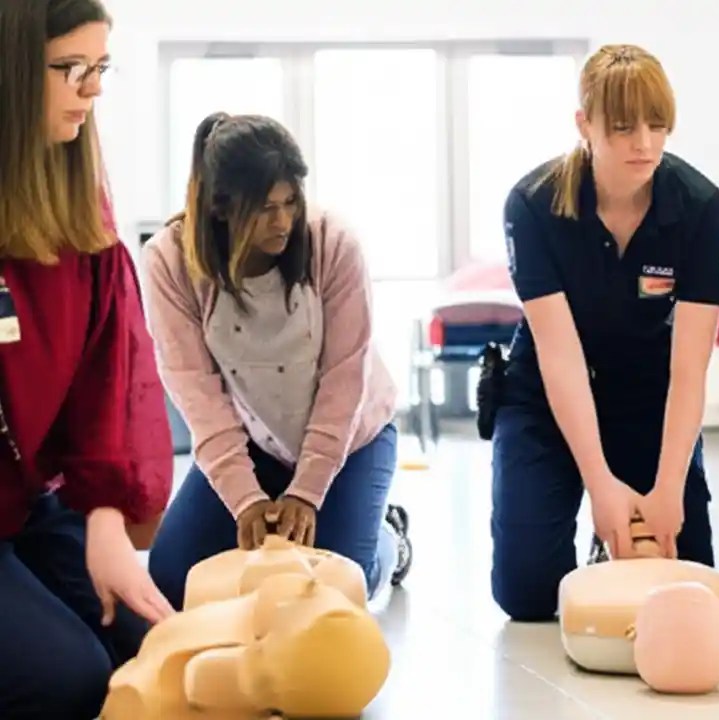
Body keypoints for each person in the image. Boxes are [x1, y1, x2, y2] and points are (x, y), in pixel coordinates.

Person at [489, 44, 719, 621]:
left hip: (651, 391)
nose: (643, 143)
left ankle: (626, 534)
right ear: (584, 125)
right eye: (622, 127)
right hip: (548, 392)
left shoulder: (701, 209)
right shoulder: (533, 205)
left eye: (657, 124)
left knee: (686, 569)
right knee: (527, 595)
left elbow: (689, 366)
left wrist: (670, 483)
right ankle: (596, 535)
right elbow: (560, 356)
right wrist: (600, 484)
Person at [141, 112, 413, 611]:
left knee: (338, 587)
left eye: (291, 202)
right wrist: (246, 499)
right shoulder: (170, 261)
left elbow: (344, 379)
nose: (284, 222)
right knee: (172, 574)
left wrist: (306, 493)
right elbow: (196, 392)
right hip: (254, 439)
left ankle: (388, 540)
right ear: (221, 208)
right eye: (266, 209)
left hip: (353, 439)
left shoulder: (333, 243)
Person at [0, 1, 177, 717]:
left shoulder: (80, 206)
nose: (93, 88)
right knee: (65, 680)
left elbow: (115, 370)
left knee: (151, 644)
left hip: (28, 505)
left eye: (100, 67)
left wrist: (106, 517)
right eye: (72, 69)